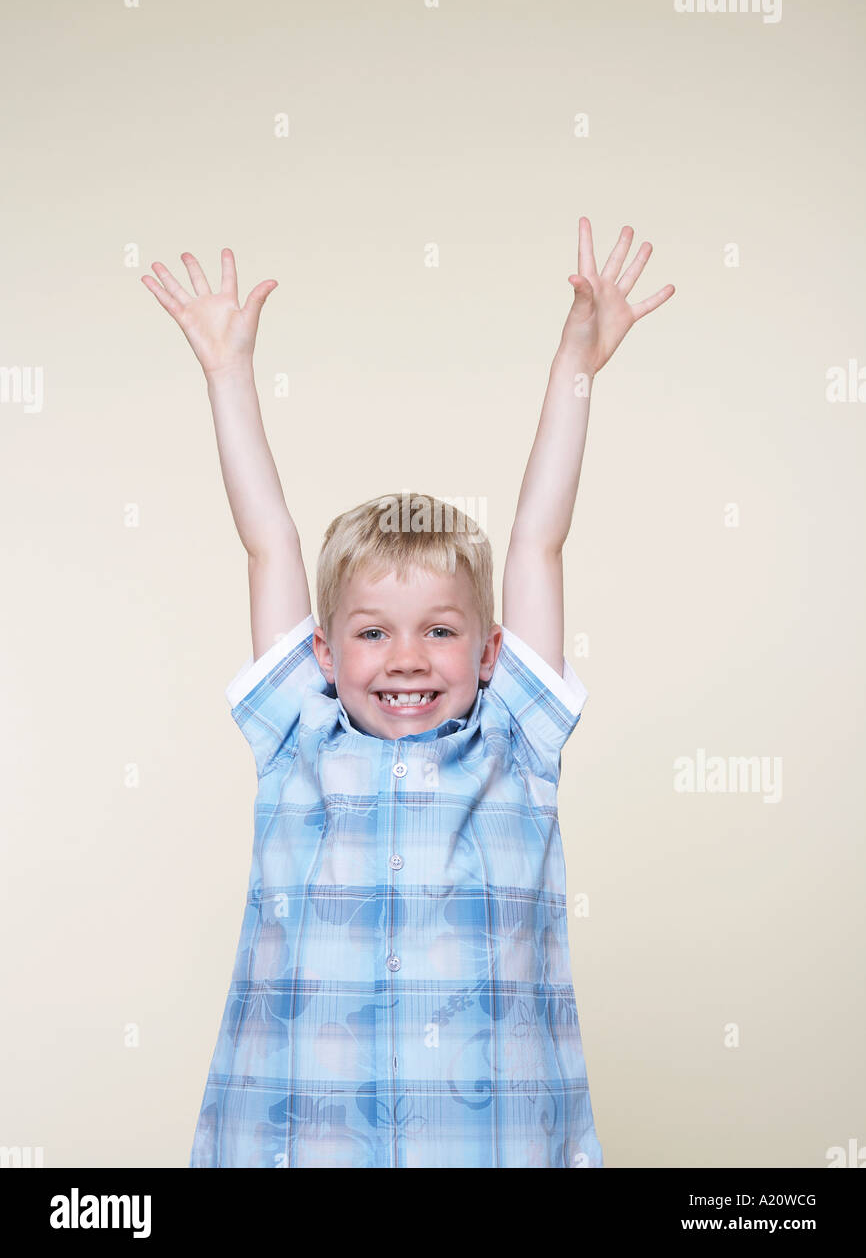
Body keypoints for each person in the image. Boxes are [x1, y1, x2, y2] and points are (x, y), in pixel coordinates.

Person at [142, 220, 675, 1167]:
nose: (407, 658)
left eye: (439, 630)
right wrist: (228, 374)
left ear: (489, 652)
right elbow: (268, 539)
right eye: (373, 633)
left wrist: (576, 363)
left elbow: (537, 540)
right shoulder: (296, 734)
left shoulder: (517, 737)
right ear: (322, 650)